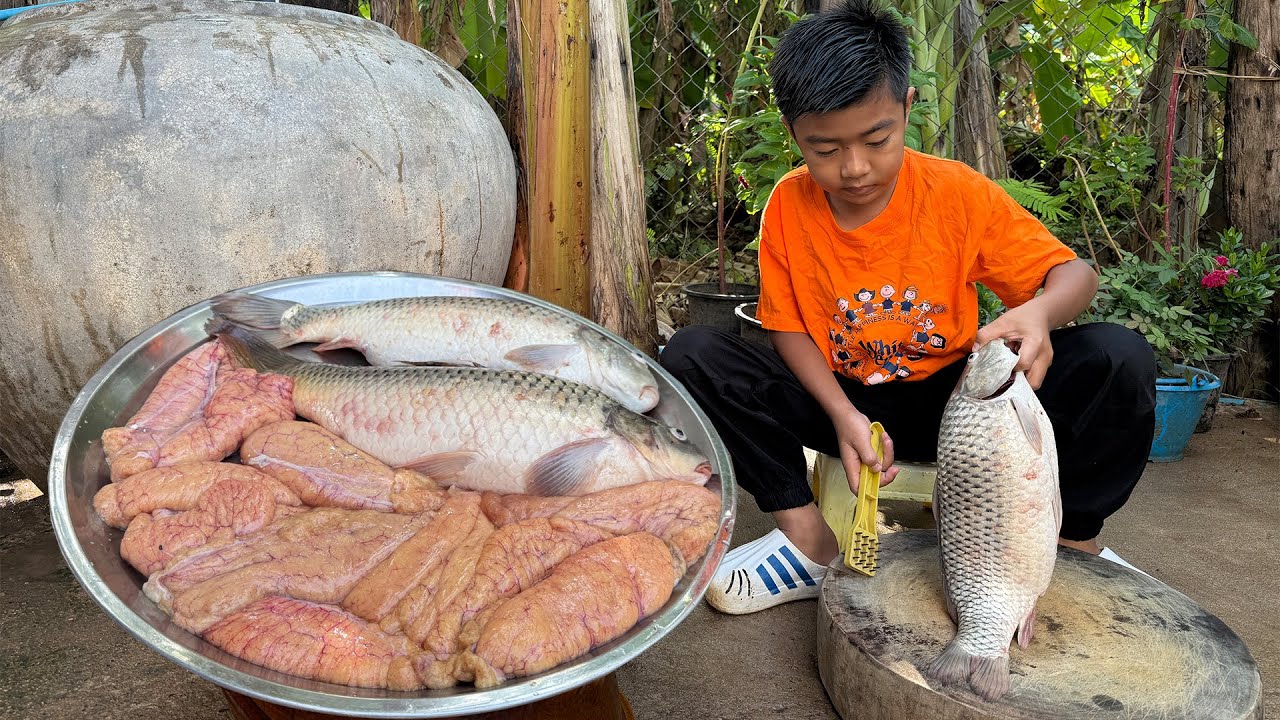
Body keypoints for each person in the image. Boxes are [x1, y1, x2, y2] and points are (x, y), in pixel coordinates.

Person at [660, 0, 1156, 615]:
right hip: (845, 401)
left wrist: (1039, 314)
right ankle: (808, 542)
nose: (854, 167)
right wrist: (841, 413)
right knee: (693, 355)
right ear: (794, 135)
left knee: (1118, 357)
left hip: (961, 399)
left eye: (876, 139)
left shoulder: (956, 194)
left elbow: (1075, 273)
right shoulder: (787, 207)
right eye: (825, 149)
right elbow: (786, 328)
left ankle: (1072, 543)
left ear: (907, 108)